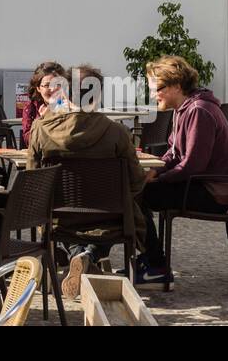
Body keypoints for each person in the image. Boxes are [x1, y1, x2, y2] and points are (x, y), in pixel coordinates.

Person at [26, 69, 147, 297]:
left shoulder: (41, 129)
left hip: (59, 221)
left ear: (67, 94)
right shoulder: (117, 132)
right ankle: (88, 257)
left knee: (74, 227)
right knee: (106, 224)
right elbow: (136, 181)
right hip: (110, 219)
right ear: (98, 96)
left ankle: (80, 257)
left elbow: (33, 181)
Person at [134, 55, 228, 286]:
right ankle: (150, 261)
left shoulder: (198, 111)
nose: (153, 95)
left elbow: (192, 165)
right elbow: (173, 151)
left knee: (137, 195)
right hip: (200, 183)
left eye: (157, 89)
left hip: (213, 192)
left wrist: (159, 179)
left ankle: (156, 266)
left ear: (177, 86)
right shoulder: (184, 108)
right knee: (137, 189)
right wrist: (155, 171)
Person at [19, 60, 66, 143]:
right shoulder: (31, 107)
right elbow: (28, 139)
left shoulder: (70, 105)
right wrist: (43, 121)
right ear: (38, 88)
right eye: (47, 85)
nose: (52, 89)